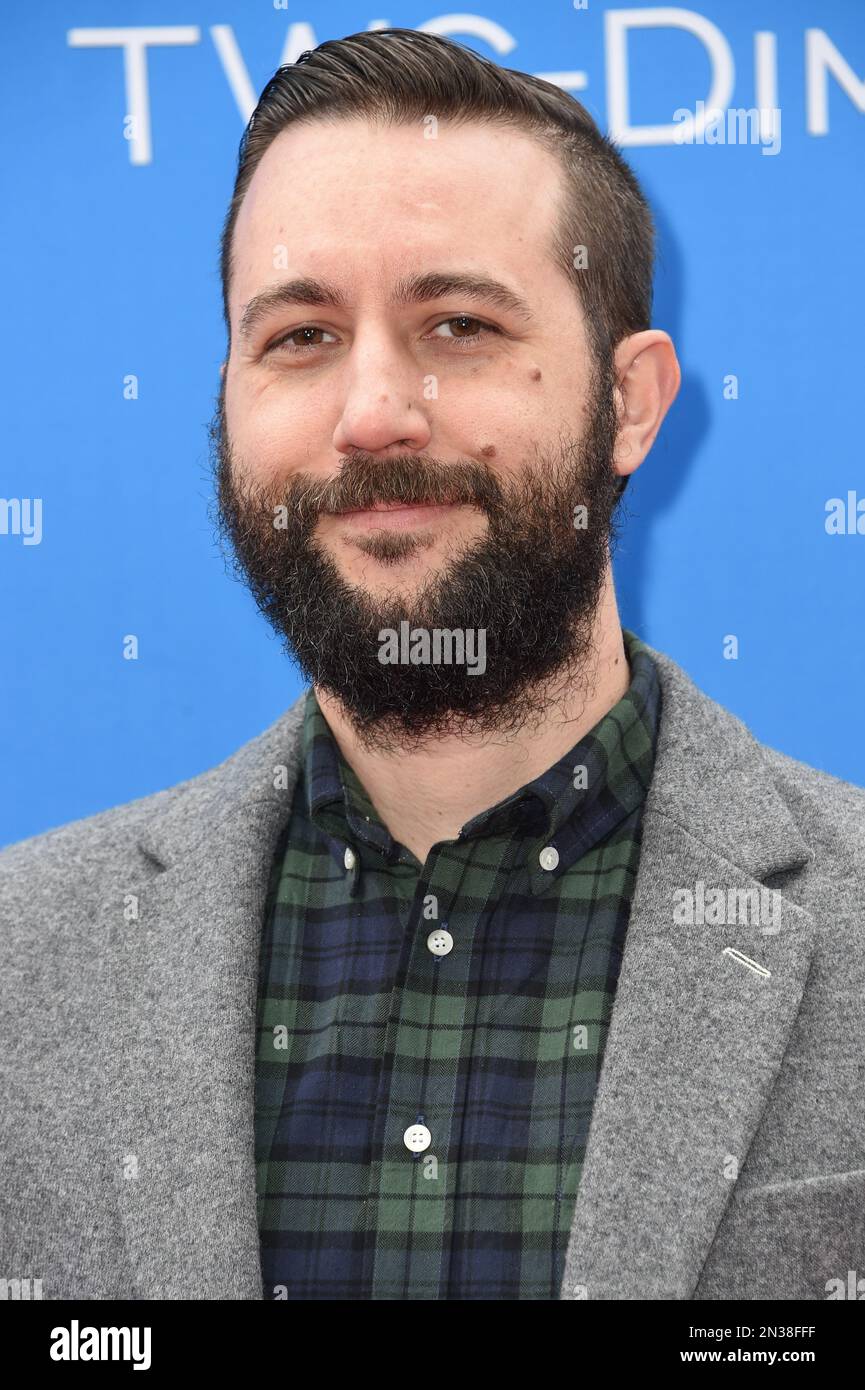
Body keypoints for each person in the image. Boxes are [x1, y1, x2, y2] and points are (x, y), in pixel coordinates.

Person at [2, 27, 864, 1303]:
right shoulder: (25, 960)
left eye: (457, 323)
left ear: (630, 403)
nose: (371, 413)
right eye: (298, 336)